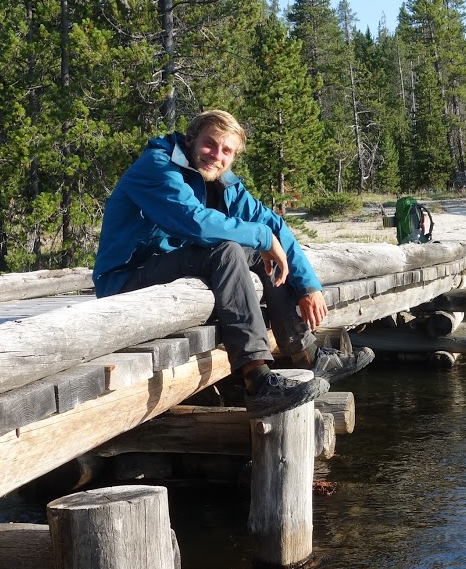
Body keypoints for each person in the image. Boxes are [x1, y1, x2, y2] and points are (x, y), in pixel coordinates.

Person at [93, 109, 373, 417]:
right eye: (209, 144)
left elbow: (271, 224)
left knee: (253, 251)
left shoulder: (220, 181)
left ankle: (307, 355)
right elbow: (195, 223)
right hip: (124, 281)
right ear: (190, 140)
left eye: (226, 151)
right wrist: (263, 237)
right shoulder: (157, 168)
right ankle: (258, 382)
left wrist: (308, 284)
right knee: (228, 250)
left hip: (169, 270)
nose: (216, 155)